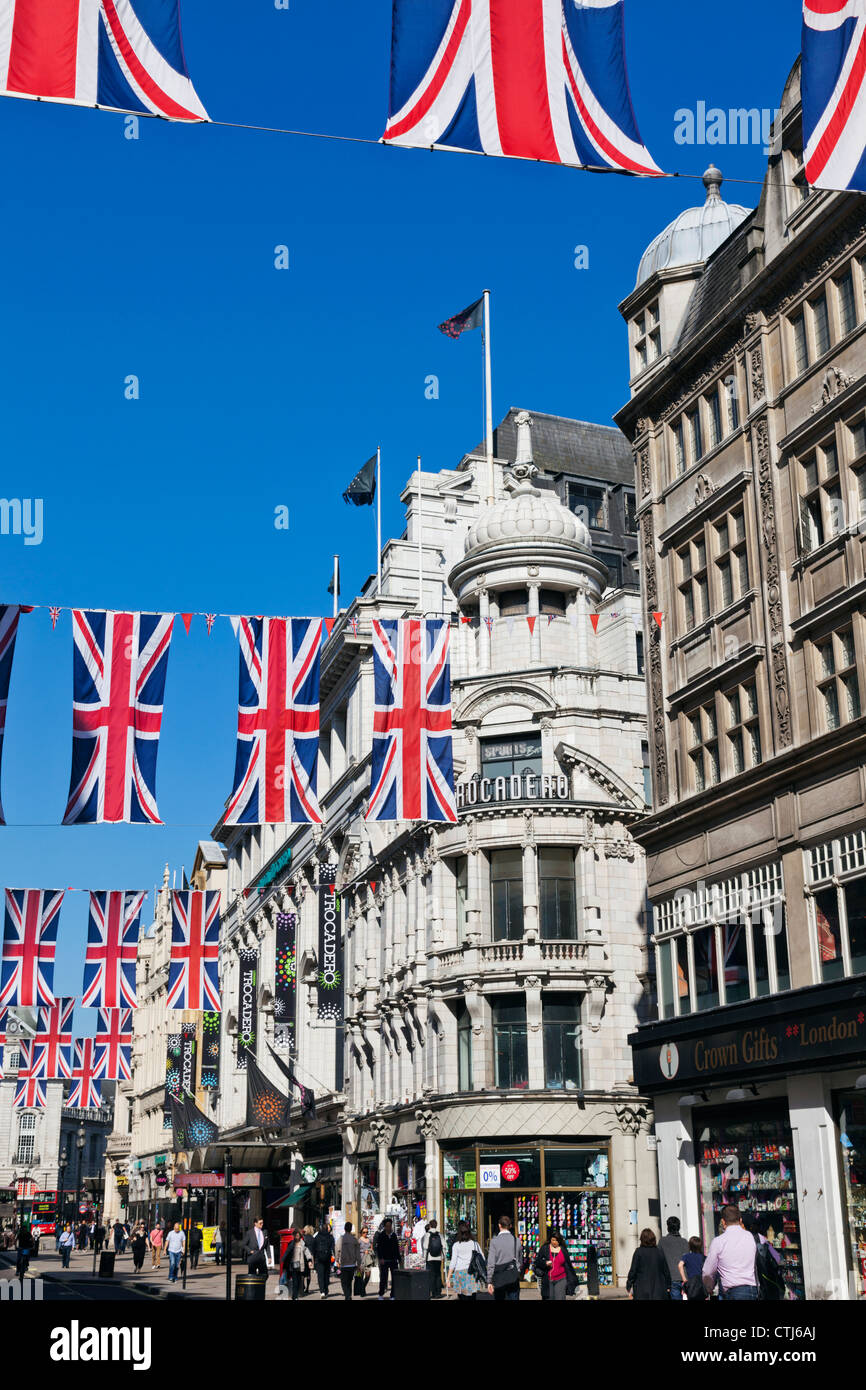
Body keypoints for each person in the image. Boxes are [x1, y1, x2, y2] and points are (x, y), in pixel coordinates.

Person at [703, 1205, 759, 1301]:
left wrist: (709, 1288)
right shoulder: (750, 1237)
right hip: (751, 1290)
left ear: (723, 1222)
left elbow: (708, 1271)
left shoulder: (718, 1241)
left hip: (732, 1291)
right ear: (740, 1220)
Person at [742, 1211, 785, 1301]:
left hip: (751, 1286)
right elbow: (778, 1259)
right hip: (763, 1285)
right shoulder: (761, 1239)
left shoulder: (741, 1240)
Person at [486, 1214, 524, 1302]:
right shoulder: (516, 1240)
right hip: (513, 1275)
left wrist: (489, 1281)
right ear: (510, 1226)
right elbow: (520, 1260)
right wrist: (518, 1271)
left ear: (499, 1225)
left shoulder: (494, 1241)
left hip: (499, 1277)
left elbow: (491, 1263)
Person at [533, 1228, 578, 1301]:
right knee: (548, 1298)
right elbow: (537, 1261)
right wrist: (545, 1263)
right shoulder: (545, 1248)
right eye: (553, 1240)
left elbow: (568, 1265)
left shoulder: (563, 1250)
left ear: (559, 1241)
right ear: (550, 1239)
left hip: (561, 1279)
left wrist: (572, 1279)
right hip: (548, 1279)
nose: (554, 1242)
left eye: (556, 1240)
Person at [626, 1229, 671, 1300]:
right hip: (659, 1290)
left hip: (642, 1289)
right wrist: (668, 1286)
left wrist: (629, 1285)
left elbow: (633, 1270)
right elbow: (666, 1271)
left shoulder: (638, 1252)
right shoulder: (659, 1252)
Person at [446, 1220, 483, 1301]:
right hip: (472, 1273)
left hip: (460, 1273)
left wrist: (448, 1278)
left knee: (462, 1296)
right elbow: (482, 1257)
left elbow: (453, 1262)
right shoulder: (474, 1244)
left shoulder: (456, 1245)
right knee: (472, 1296)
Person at [659, 1216, 690, 1300]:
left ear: (668, 1227)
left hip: (671, 1278)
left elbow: (660, 1260)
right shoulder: (684, 1242)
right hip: (685, 1278)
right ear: (679, 1227)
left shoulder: (662, 1241)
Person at [373, 1217, 400, 1300]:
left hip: (393, 1260)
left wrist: (399, 1258)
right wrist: (380, 1258)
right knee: (383, 1278)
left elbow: (396, 1248)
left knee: (394, 1279)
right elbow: (379, 1248)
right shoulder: (381, 1235)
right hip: (384, 1260)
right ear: (384, 1227)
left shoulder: (394, 1235)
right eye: (387, 1226)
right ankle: (381, 1294)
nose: (389, 1227)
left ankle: (393, 1295)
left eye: (390, 1226)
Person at [282, 1229, 313, 1300]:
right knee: (295, 1282)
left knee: (299, 1282)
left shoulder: (303, 1243)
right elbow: (287, 1252)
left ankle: (295, 1296)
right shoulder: (291, 1243)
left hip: (300, 1265)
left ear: (300, 1236)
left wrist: (309, 1261)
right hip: (293, 1265)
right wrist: (283, 1260)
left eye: (298, 1235)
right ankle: (295, 1297)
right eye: (296, 1235)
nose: (297, 1237)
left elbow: (307, 1252)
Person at [336, 1221, 360, 1300]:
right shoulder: (354, 1239)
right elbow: (358, 1253)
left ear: (344, 1229)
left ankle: (347, 1295)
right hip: (352, 1264)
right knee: (349, 1281)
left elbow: (337, 1249)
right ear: (350, 1229)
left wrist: (337, 1260)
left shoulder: (341, 1238)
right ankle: (348, 1295)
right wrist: (358, 1264)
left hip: (344, 1264)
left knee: (344, 1282)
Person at [422, 1219, 445, 1299]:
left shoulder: (427, 1235)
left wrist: (424, 1258)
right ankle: (438, 1292)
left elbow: (425, 1247)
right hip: (438, 1257)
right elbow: (444, 1246)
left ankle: (433, 1292)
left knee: (431, 1275)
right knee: (438, 1274)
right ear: (436, 1225)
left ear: (430, 1226)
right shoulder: (440, 1235)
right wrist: (443, 1257)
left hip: (430, 1257)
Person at [678, 1236, 706, 1301]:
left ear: (690, 1246)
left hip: (691, 1284)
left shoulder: (686, 1256)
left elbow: (680, 1265)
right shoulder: (703, 1257)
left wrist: (684, 1279)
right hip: (701, 1284)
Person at [312, 1221, 335, 1297]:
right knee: (326, 1275)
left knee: (320, 1276)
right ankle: (326, 1289)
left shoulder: (317, 1236)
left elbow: (313, 1248)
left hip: (319, 1259)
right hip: (327, 1259)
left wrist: (314, 1258)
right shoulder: (330, 1237)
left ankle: (322, 1291)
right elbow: (332, 1248)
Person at [356, 1227, 373, 1298]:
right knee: (360, 1276)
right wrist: (363, 1251)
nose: (365, 1234)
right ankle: (362, 1290)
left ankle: (362, 1287)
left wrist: (370, 1251)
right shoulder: (359, 1240)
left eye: (366, 1232)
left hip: (368, 1260)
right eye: (364, 1232)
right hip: (361, 1260)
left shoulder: (369, 1240)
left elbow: (372, 1249)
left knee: (368, 1275)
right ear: (361, 1232)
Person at [302, 1226, 316, 1295]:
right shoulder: (313, 1239)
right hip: (311, 1256)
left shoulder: (303, 1238)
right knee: (308, 1273)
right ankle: (307, 1288)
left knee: (302, 1272)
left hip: (304, 1256)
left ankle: (303, 1286)